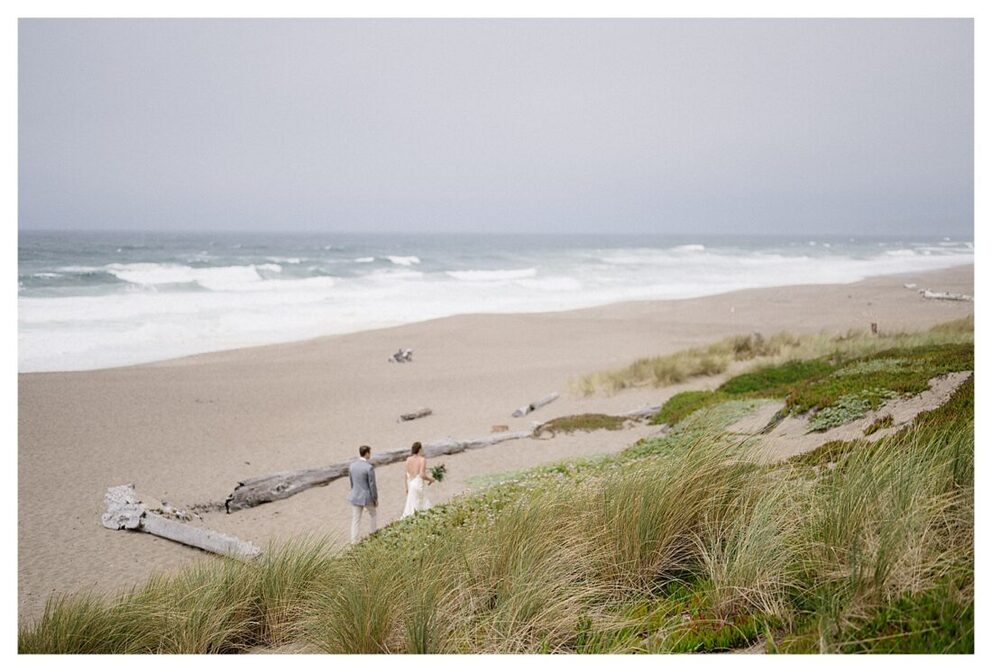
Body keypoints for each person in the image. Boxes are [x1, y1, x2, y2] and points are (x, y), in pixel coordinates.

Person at [347, 445, 378, 543]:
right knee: (373, 514)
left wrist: (353, 491)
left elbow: (351, 481)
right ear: (367, 453)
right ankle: (373, 534)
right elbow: (372, 485)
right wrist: (375, 498)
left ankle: (354, 541)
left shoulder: (352, 465)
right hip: (366, 497)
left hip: (355, 495)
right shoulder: (369, 468)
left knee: (356, 519)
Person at [402, 441, 434, 518]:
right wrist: (430, 479)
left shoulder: (408, 460)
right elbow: (422, 475)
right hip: (418, 484)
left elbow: (406, 475)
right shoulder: (422, 459)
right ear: (419, 449)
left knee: (411, 505)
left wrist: (406, 488)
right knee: (422, 504)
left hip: (410, 484)